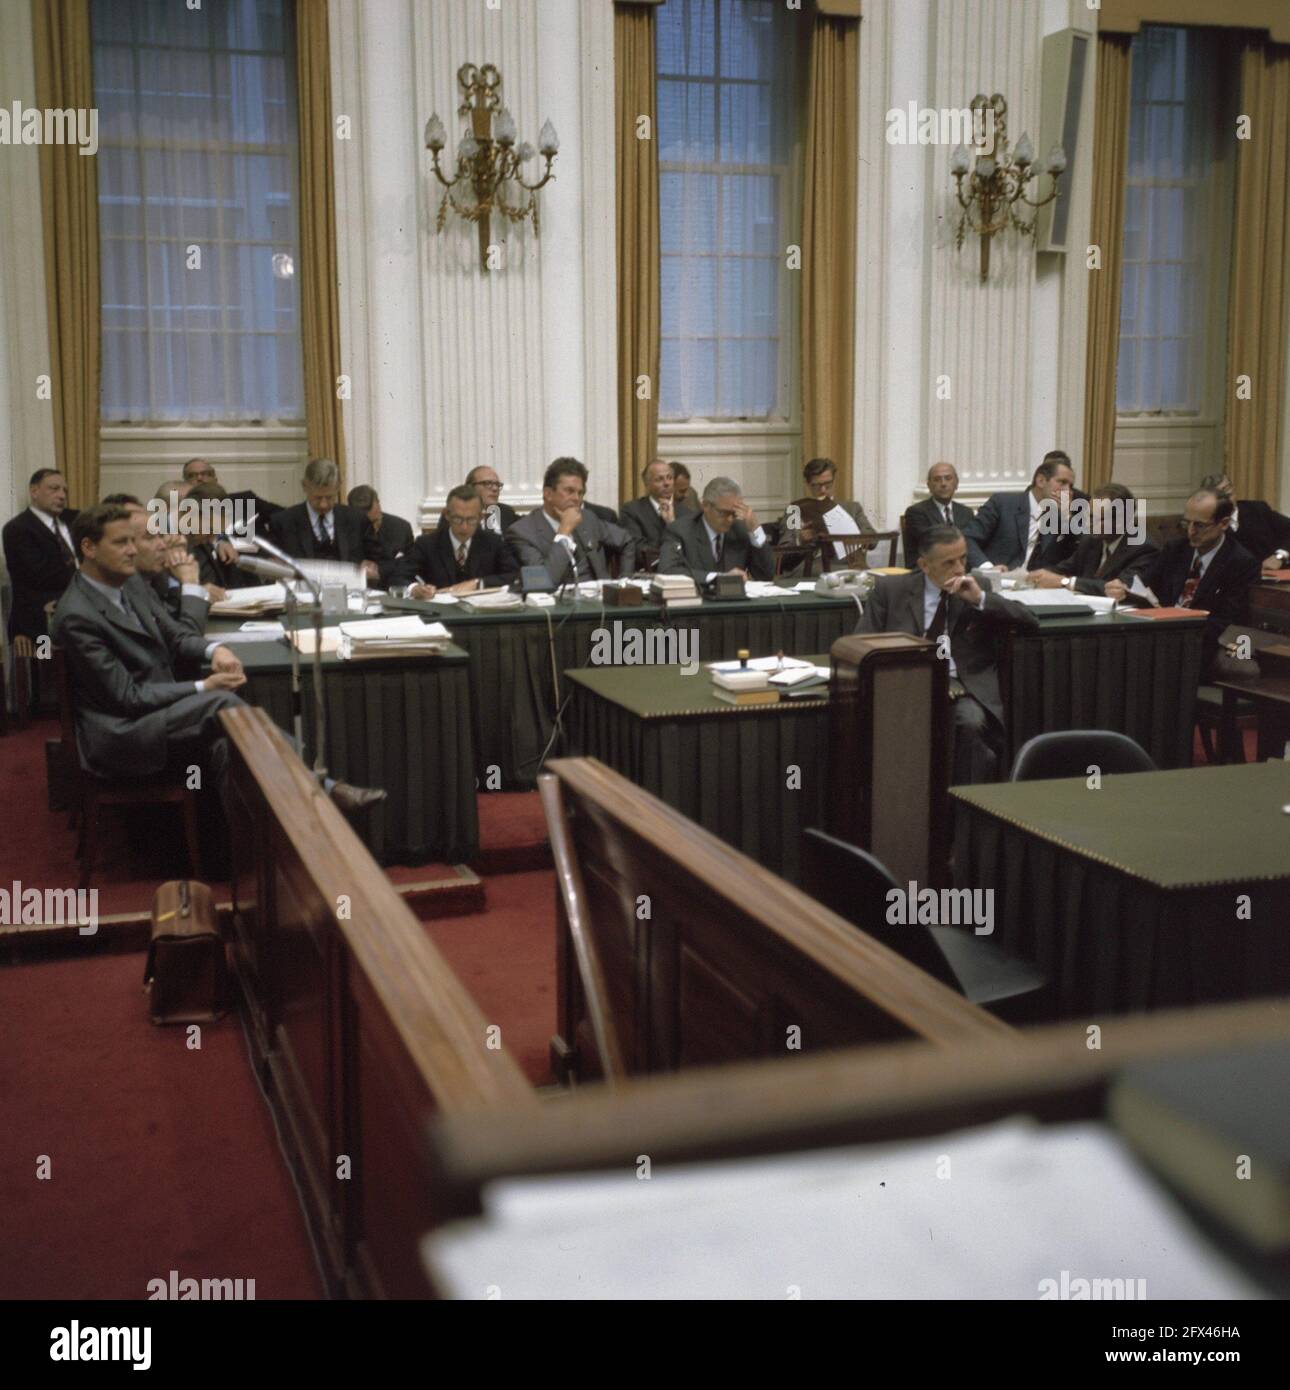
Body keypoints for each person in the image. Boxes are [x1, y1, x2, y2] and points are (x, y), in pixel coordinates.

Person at [51, 502, 383, 817]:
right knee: (222, 703)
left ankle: (243, 857)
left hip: (157, 712)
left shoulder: (130, 583)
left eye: (132, 541)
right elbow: (128, 698)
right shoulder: (77, 615)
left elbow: (177, 636)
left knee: (233, 743)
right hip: (124, 734)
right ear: (89, 548)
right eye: (121, 542)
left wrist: (215, 650)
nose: (133, 550)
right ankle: (320, 788)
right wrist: (202, 686)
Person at [859, 525, 1039, 786]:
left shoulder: (978, 586)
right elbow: (861, 641)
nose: (959, 568)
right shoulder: (891, 589)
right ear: (924, 564)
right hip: (902, 681)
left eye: (963, 558)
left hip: (958, 685)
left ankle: (966, 808)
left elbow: (1030, 622)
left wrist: (979, 599)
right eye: (949, 562)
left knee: (970, 722)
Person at [1105, 488, 1261, 678]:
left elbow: (1227, 621)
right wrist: (1123, 590)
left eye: (1200, 525)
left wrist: (1179, 627)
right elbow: (1145, 585)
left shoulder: (1241, 562)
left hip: (1204, 639)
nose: (1191, 531)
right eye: (1186, 523)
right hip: (1163, 632)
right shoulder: (1177, 549)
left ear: (1224, 523)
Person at [506, 459, 635, 585]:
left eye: (580, 493)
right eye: (569, 491)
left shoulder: (587, 519)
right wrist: (564, 532)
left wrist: (624, 581)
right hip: (557, 603)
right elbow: (543, 582)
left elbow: (626, 540)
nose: (576, 498)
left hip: (599, 600)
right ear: (548, 493)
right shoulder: (522, 532)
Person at [1028, 482, 1157, 595]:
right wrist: (1035, 575)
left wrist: (1065, 582)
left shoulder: (1143, 549)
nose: (1089, 523)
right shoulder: (1091, 540)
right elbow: (1065, 568)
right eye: (1089, 516)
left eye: (1097, 519)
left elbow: (1119, 589)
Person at [390, 487, 519, 597]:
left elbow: (514, 575)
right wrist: (414, 588)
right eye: (458, 519)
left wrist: (478, 584)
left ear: (481, 517)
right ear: (446, 515)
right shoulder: (427, 544)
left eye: (471, 520)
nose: (464, 527)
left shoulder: (493, 542)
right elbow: (398, 577)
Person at [268, 458, 382, 581]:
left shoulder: (357, 519)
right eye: (317, 498)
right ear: (305, 487)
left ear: (338, 487)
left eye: (329, 497)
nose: (323, 504)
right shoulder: (283, 522)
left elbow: (378, 560)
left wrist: (373, 569)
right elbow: (270, 567)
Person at [964, 451, 1078, 572]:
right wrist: (988, 569)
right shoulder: (1003, 504)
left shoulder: (1060, 519)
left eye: (1071, 486)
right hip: (996, 580)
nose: (1068, 491)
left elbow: (1076, 556)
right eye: (1062, 482)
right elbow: (967, 539)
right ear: (1041, 481)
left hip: (1035, 586)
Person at [3, 468, 79, 644]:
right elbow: (41, 576)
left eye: (64, 490)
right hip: (38, 624)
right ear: (34, 491)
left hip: (81, 619)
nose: (61, 495)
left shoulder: (76, 519)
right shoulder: (18, 529)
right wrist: (87, 572)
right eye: (54, 488)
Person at [659, 477, 775, 584]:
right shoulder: (680, 530)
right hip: (697, 602)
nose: (730, 519)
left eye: (734, 513)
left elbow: (765, 576)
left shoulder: (740, 529)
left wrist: (755, 531)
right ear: (705, 505)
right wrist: (717, 577)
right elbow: (668, 571)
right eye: (724, 513)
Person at [1199, 473, 1290, 575]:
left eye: (1228, 492)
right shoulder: (1207, 524)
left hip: (1274, 579)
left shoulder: (1258, 509)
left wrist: (1279, 556)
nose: (1227, 499)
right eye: (1219, 496)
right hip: (1233, 583)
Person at [776, 457, 875, 545]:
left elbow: (873, 541)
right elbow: (785, 547)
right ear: (808, 484)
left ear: (833, 480)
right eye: (817, 485)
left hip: (847, 564)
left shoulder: (852, 508)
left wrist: (851, 532)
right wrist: (800, 540)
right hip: (813, 564)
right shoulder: (794, 510)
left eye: (828, 484)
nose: (823, 490)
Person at [902, 462, 974, 567]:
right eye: (937, 479)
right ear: (929, 486)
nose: (943, 483)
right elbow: (933, 543)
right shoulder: (916, 512)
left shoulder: (966, 512)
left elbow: (972, 543)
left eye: (948, 478)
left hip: (962, 570)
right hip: (929, 571)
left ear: (956, 483)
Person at [348, 484, 414, 587]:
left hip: (393, 588)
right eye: (365, 524)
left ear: (379, 505)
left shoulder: (401, 528)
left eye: (375, 522)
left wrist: (380, 570)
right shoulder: (345, 531)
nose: (372, 528)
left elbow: (410, 563)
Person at [620, 459, 678, 548]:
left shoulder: (687, 513)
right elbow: (638, 549)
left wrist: (672, 524)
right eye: (659, 479)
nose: (667, 483)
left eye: (669, 478)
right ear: (647, 483)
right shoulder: (632, 511)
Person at [462, 466, 519, 535]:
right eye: (487, 483)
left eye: (497, 484)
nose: (495, 488)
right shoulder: (459, 515)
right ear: (470, 487)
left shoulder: (506, 512)